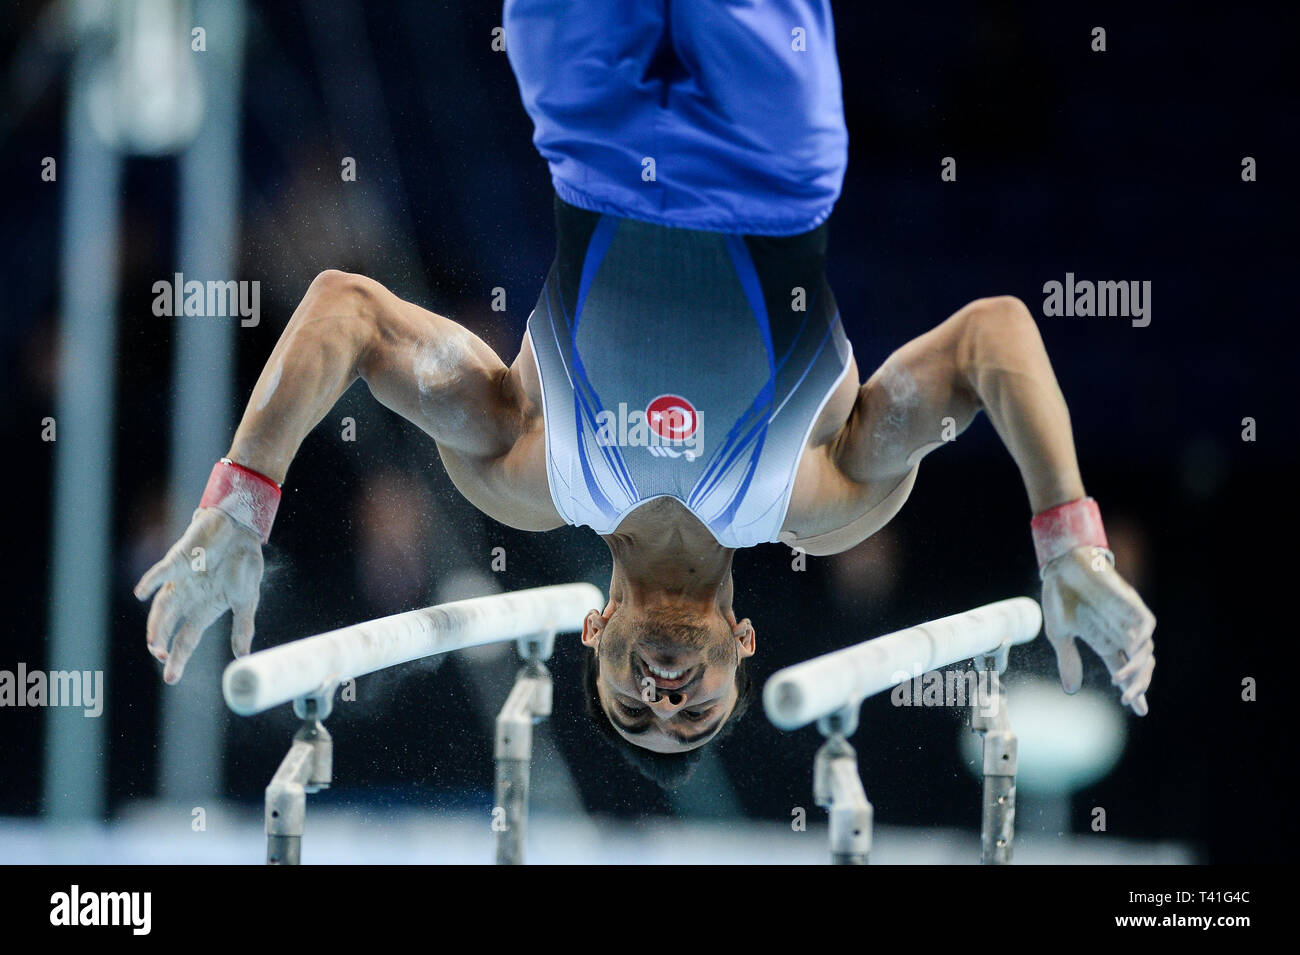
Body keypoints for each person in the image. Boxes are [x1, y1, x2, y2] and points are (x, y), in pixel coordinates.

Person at [135, 1, 1155, 783]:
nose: (664, 693)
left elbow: (346, 310)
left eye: (633, 709)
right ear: (743, 649)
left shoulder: (527, 478)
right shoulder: (823, 498)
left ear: (591, 641)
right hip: (772, 156)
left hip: (587, 133)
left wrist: (243, 501)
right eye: (695, 710)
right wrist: (1066, 536)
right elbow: (993, 337)